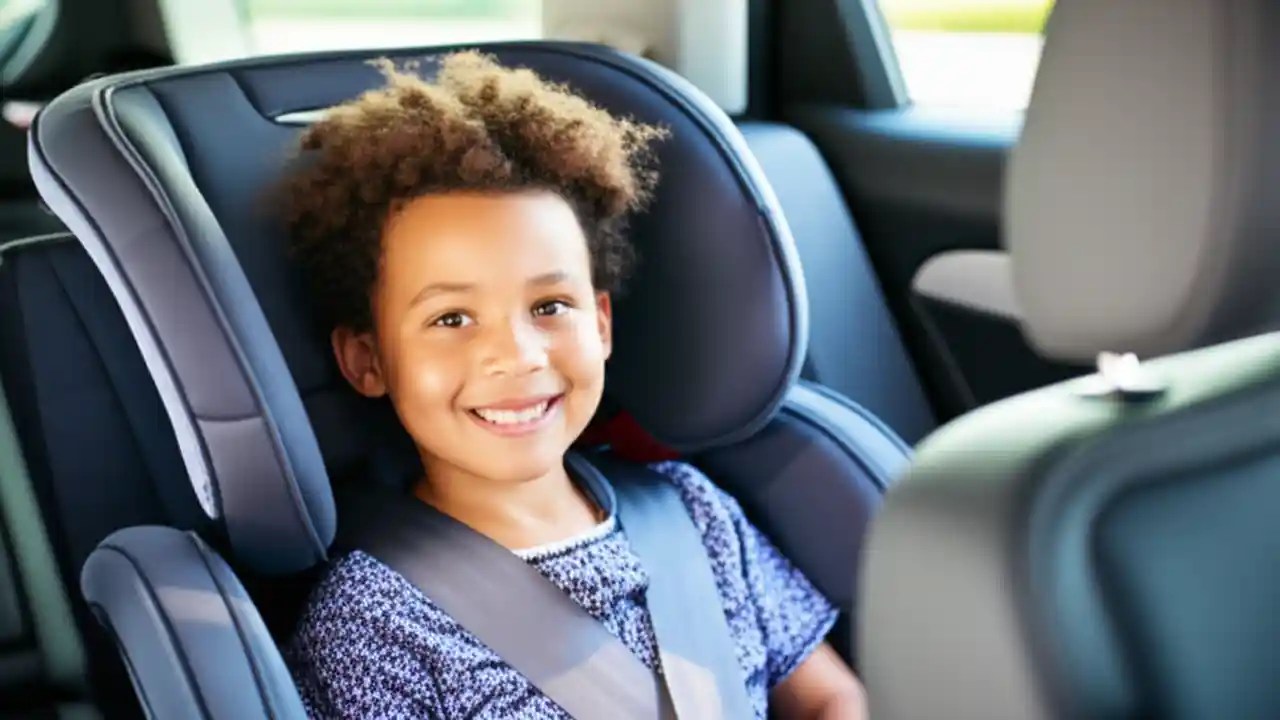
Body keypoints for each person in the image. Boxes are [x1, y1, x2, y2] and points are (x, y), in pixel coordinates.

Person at [281, 50, 868, 719]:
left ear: (601, 323)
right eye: (452, 319)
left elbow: (831, 696)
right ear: (367, 360)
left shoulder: (690, 510)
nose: (518, 355)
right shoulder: (371, 627)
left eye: (550, 306)